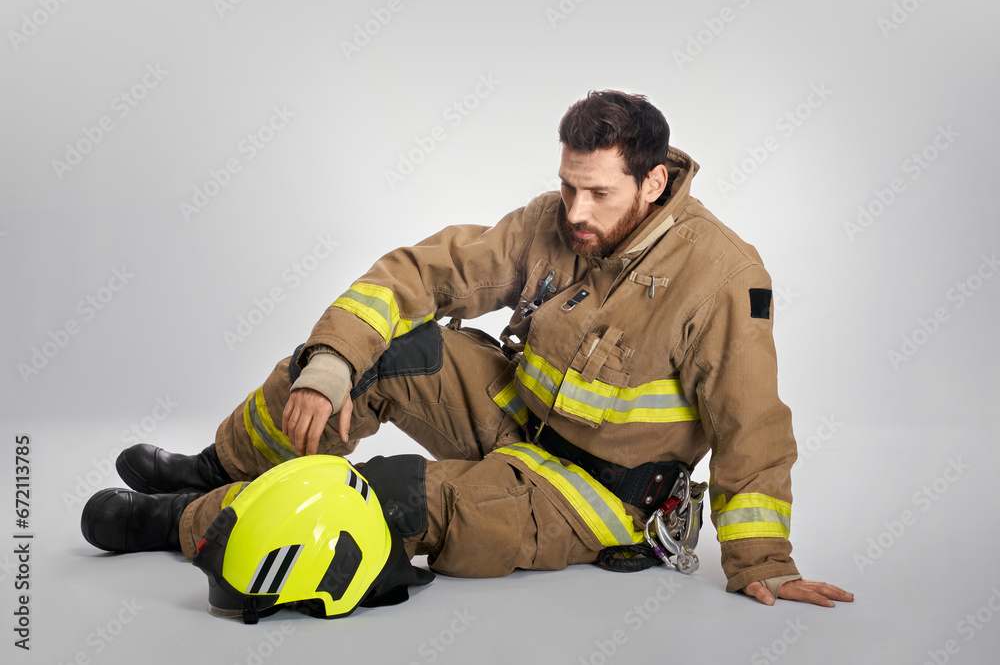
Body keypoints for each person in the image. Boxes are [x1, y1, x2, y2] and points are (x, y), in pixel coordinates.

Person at [82, 90, 853, 609]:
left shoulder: (722, 273)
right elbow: (426, 273)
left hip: (592, 495)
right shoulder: (555, 219)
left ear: (654, 183)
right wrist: (333, 363)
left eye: (599, 194)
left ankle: (181, 519)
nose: (576, 211)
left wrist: (763, 563)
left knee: (386, 497)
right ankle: (220, 465)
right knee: (385, 347)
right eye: (567, 185)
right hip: (515, 420)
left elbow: (752, 423)